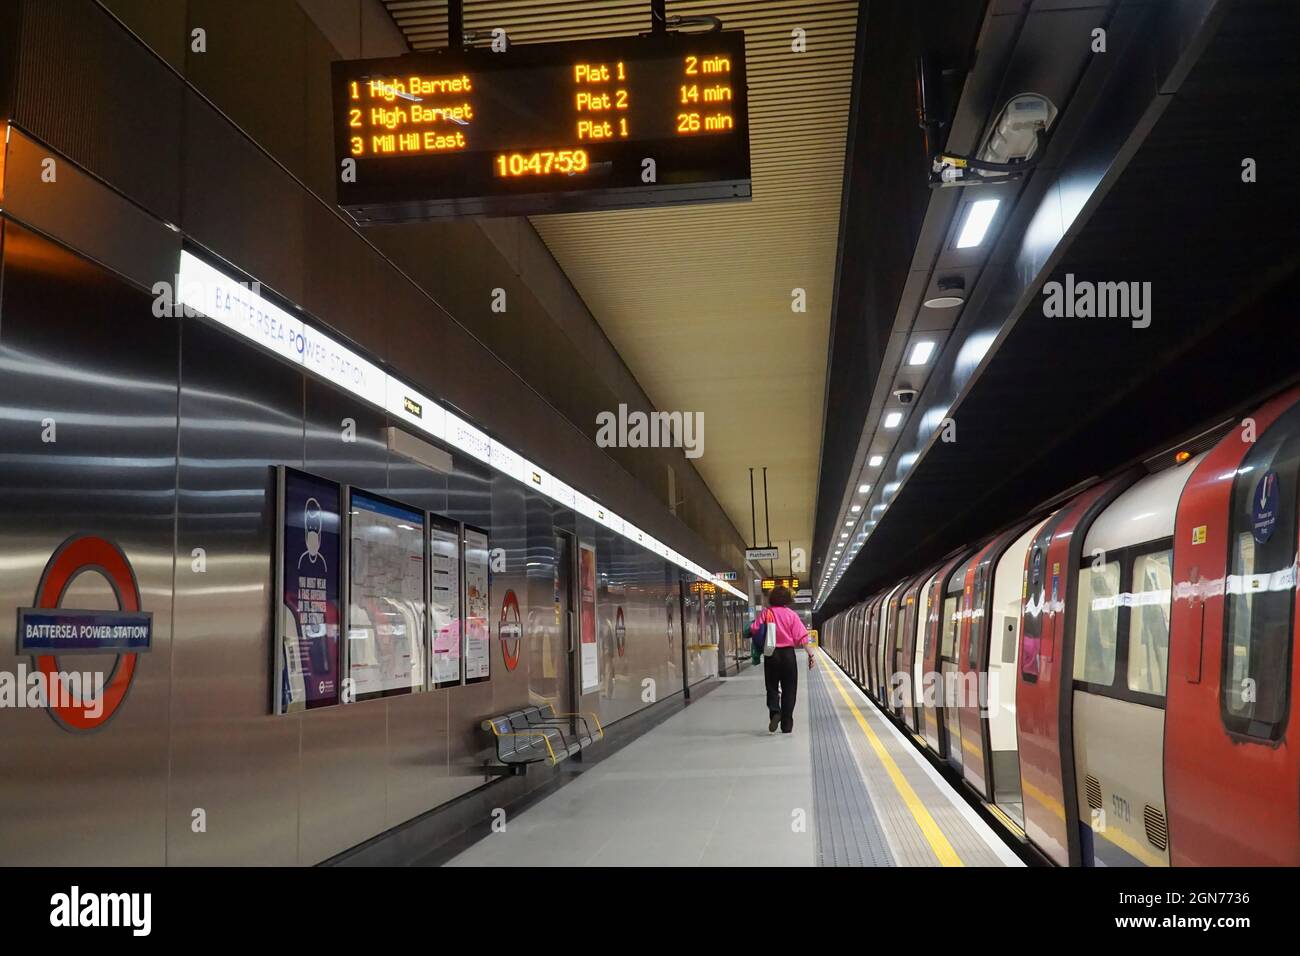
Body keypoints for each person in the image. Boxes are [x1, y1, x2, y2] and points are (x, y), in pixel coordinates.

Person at [750, 586, 815, 734]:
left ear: (772, 598)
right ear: (787, 599)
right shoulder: (791, 615)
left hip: (771, 653)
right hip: (788, 655)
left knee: (772, 687)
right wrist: (811, 655)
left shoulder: (767, 613)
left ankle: (775, 712)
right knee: (789, 690)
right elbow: (802, 637)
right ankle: (787, 724)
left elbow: (754, 629)